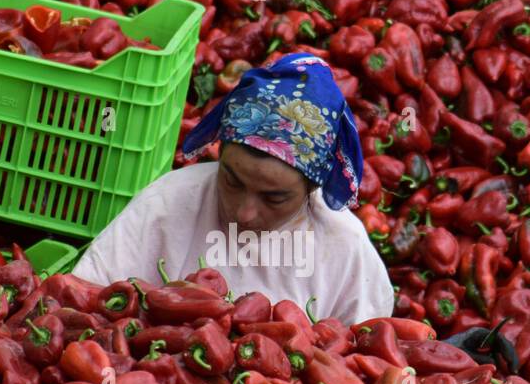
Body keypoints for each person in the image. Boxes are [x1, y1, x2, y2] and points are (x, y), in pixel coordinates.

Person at [72, 53, 395, 325]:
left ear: (312, 186)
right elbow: (83, 300)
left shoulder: (343, 248)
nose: (245, 212)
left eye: (275, 197)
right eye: (231, 181)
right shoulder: (167, 203)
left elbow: (363, 363)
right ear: (220, 152)